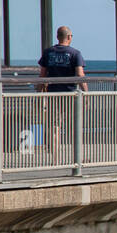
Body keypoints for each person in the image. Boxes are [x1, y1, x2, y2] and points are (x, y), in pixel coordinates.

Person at [37, 25, 87, 156]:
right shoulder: (75, 53)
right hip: (70, 94)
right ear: (69, 37)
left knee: (54, 126)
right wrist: (86, 93)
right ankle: (77, 159)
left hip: (53, 94)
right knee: (74, 126)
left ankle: (55, 159)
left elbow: (42, 76)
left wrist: (39, 93)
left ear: (57, 37)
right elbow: (80, 75)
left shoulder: (48, 52)